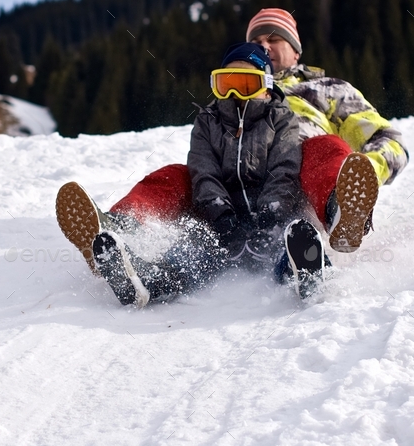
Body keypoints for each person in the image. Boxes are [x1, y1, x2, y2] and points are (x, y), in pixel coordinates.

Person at [62, 8, 408, 255]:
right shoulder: (235, 88)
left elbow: (390, 143)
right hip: (227, 192)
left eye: (274, 38)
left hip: (298, 188)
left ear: (296, 49)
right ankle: (117, 232)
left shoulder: (328, 90)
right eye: (257, 39)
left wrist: (362, 175)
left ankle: (340, 213)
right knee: (175, 176)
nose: (265, 45)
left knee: (326, 146)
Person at [56, 43, 322, 306]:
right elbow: (203, 171)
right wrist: (220, 215)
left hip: (269, 218)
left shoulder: (281, 119)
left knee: (287, 239)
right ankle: (149, 281)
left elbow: (284, 169)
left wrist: (271, 215)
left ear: (266, 87)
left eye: (245, 85)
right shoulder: (208, 121)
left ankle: (303, 271)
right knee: (194, 247)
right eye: (225, 84)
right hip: (222, 222)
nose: (233, 94)